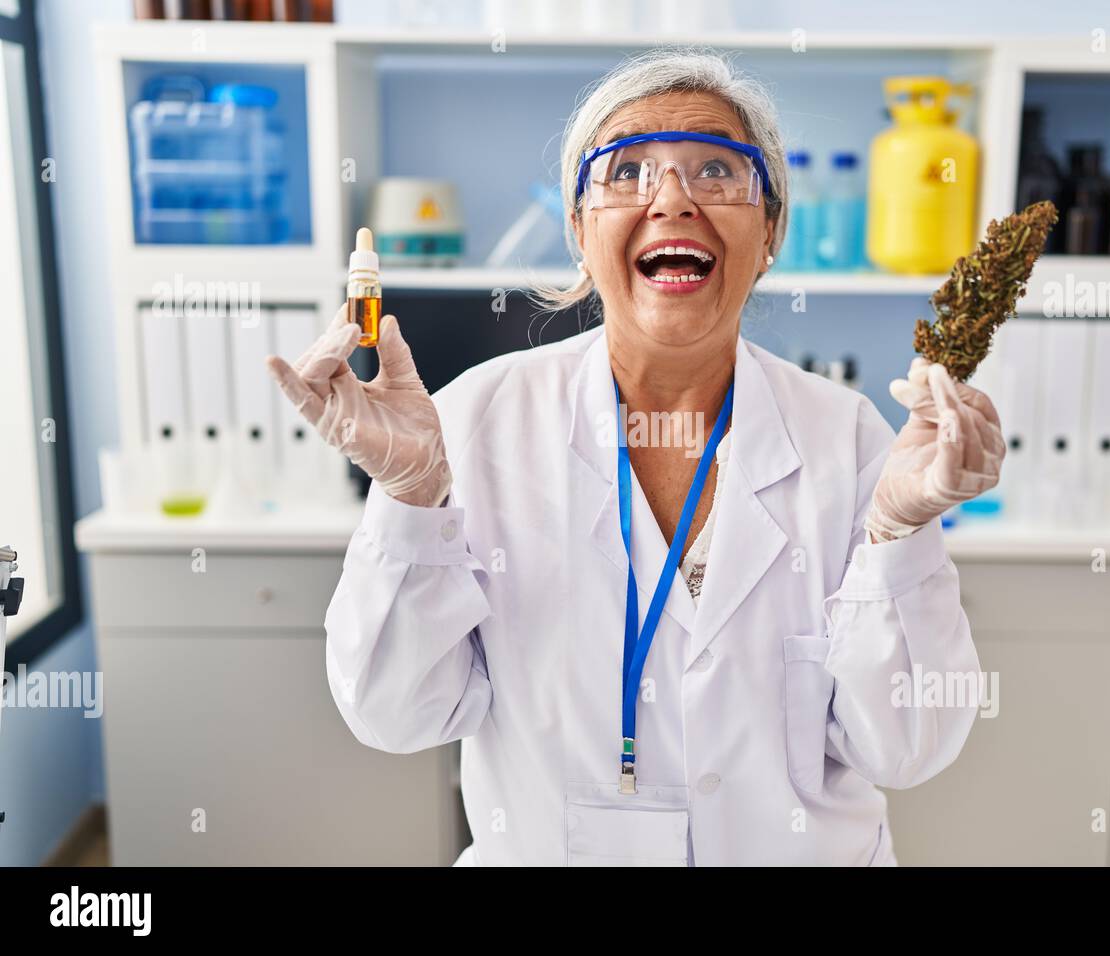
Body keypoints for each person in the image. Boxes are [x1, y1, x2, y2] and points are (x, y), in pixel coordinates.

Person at [267, 49, 1005, 866]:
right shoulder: (475, 423)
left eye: (718, 170)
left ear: (770, 233)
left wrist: (899, 534)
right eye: (627, 171)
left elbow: (907, 747)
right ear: (581, 234)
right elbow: (395, 714)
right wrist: (410, 498)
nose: (674, 199)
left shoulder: (853, 438)